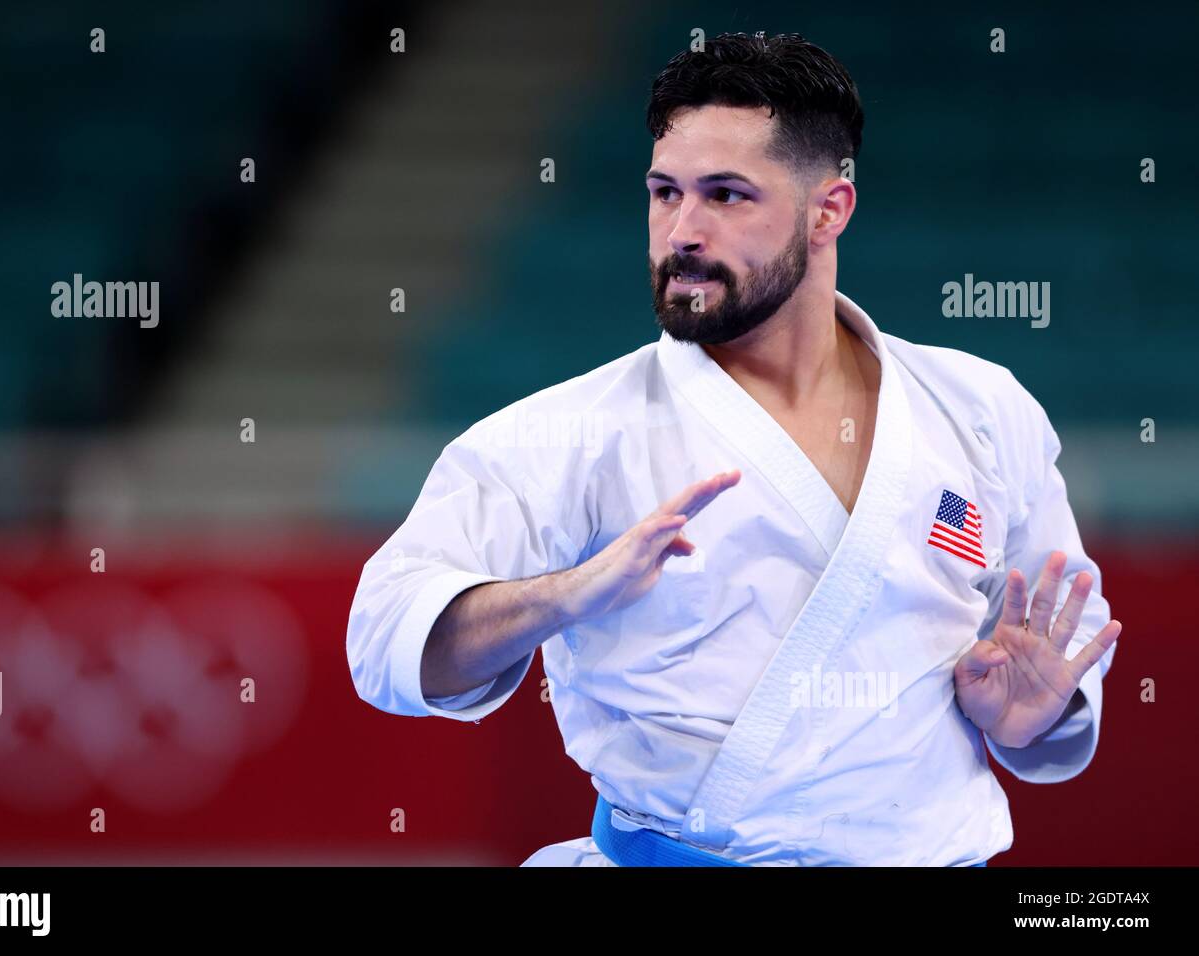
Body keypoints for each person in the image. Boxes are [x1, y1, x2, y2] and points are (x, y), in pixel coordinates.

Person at [345, 32, 1121, 866]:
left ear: (829, 211)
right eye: (664, 192)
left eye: (725, 195)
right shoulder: (569, 431)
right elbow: (388, 642)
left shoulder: (980, 407)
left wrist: (1033, 720)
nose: (682, 230)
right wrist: (564, 597)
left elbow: (1049, 706)